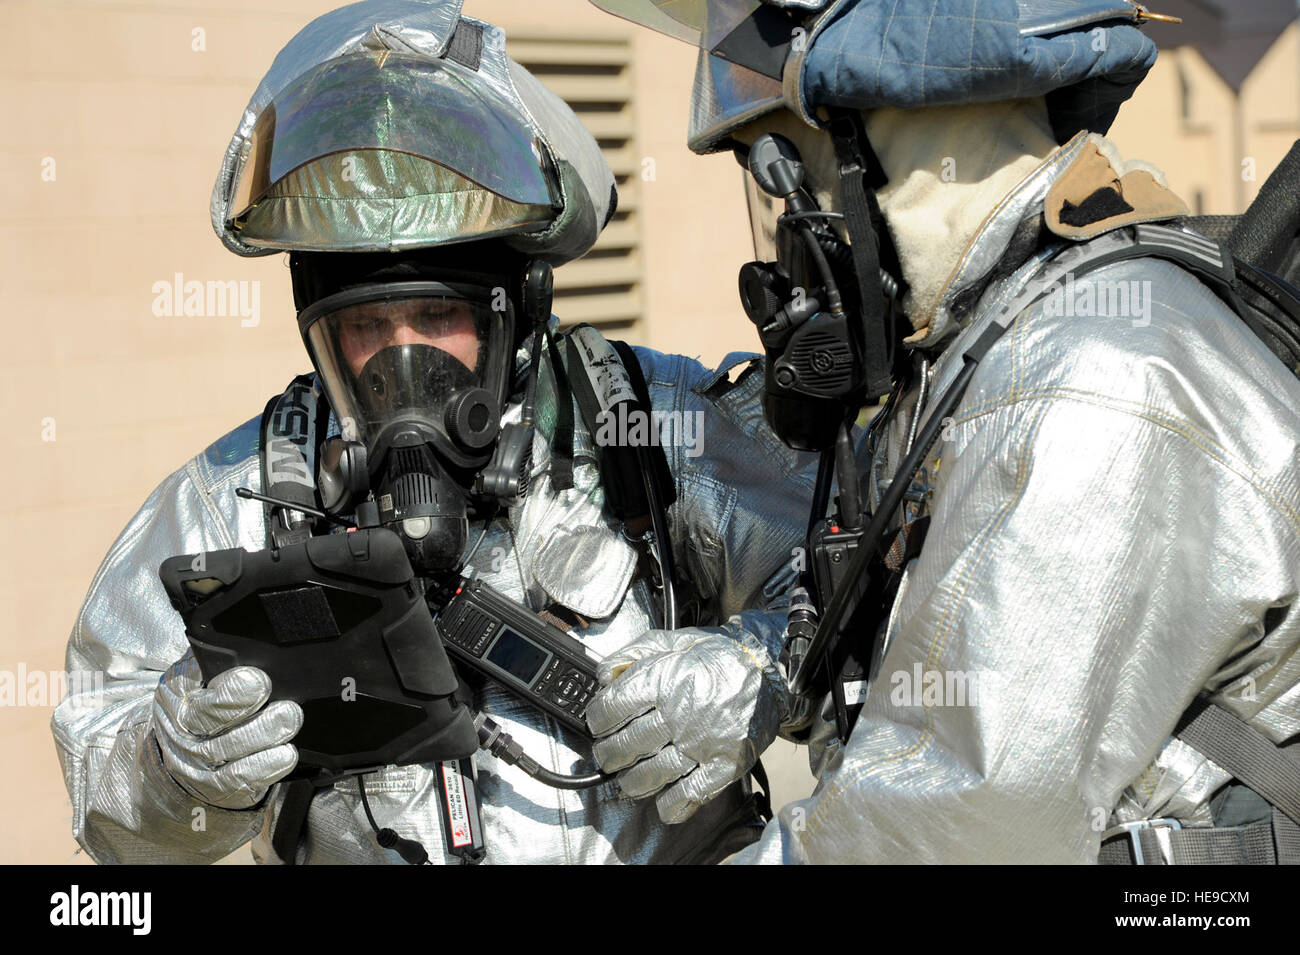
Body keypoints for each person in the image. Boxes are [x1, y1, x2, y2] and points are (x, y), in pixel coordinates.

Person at [50, 0, 817, 865]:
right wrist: (172, 768)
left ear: (514, 315)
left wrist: (757, 674)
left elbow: (861, 584)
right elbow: (103, 773)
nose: (401, 359)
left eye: (433, 314)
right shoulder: (245, 496)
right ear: (319, 335)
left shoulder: (644, 427)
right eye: (367, 328)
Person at [587, 0, 1300, 863]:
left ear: (890, 158)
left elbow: (953, 826)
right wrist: (766, 669)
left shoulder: (1092, 375)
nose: (784, 258)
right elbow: (931, 630)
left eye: (794, 178)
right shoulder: (976, 347)